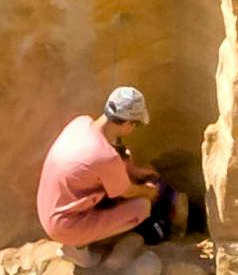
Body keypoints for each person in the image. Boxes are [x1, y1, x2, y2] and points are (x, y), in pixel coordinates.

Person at [38, 85, 169, 263]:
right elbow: (127, 191)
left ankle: (81, 234)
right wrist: (149, 191)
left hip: (48, 206)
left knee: (124, 157)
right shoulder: (105, 156)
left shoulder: (81, 123)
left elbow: (103, 161)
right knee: (141, 207)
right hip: (63, 226)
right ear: (127, 123)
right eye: (135, 124)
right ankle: (75, 248)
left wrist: (134, 170)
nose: (133, 129)